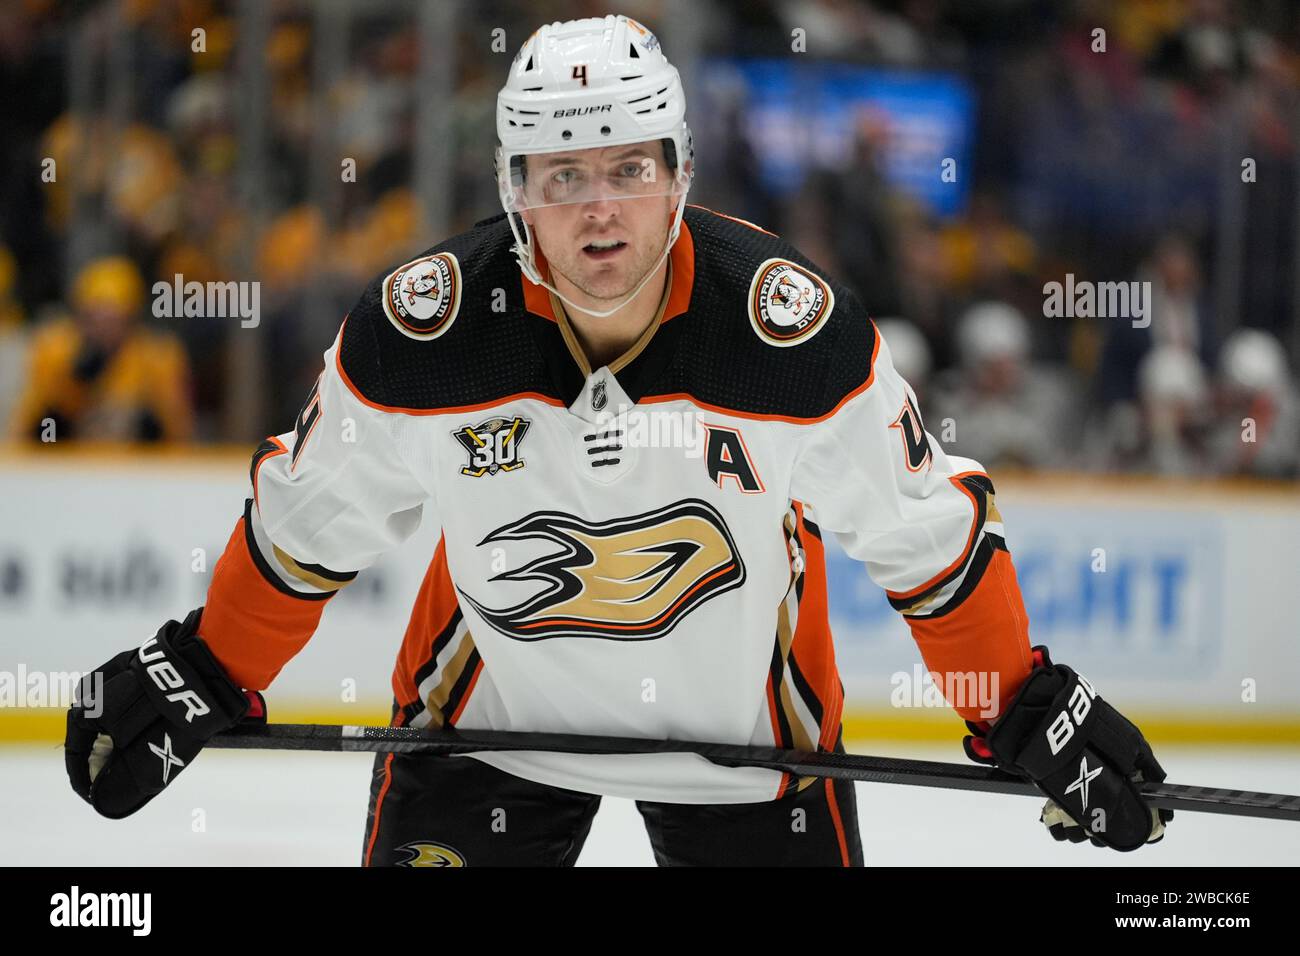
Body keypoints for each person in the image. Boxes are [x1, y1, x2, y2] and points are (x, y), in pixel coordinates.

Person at [64, 15, 1171, 866]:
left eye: (630, 168)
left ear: (681, 173)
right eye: (564, 175)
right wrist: (204, 665)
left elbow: (929, 542)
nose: (601, 212)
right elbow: (307, 529)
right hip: (483, 725)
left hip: (749, 751)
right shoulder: (423, 336)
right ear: (515, 193)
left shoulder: (789, 335)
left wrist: (1025, 706)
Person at [9, 256, 194, 443]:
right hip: (67, 465)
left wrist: (141, 422)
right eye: (94, 319)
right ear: (80, 318)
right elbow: (27, 427)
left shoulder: (158, 357)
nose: (103, 330)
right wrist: (68, 400)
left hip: (137, 467)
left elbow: (177, 431)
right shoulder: (54, 351)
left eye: (114, 320)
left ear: (131, 319)